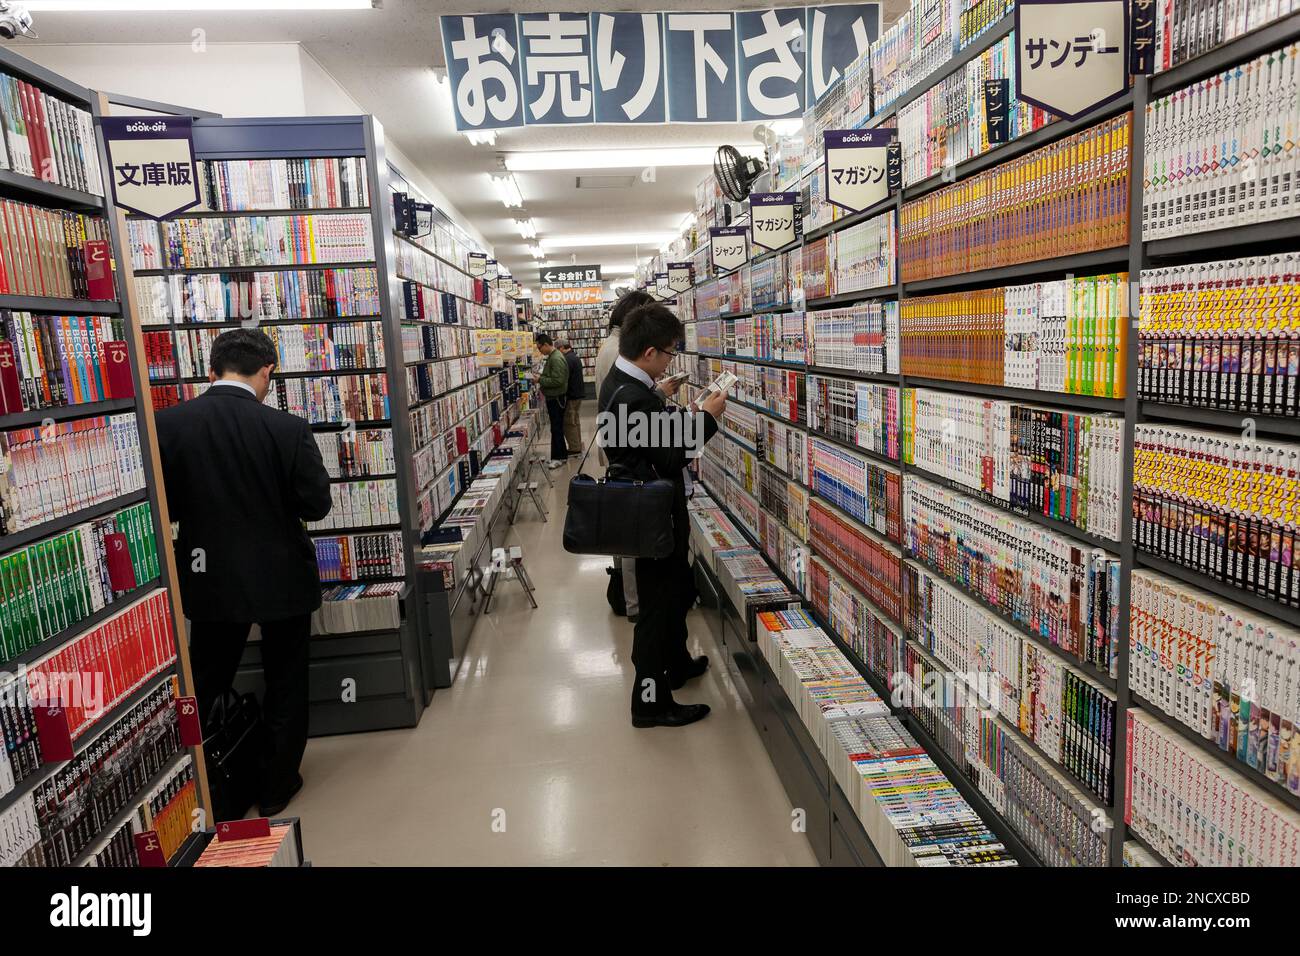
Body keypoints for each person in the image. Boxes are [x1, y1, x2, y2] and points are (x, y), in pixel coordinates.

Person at [155, 328, 332, 816]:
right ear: (267, 371)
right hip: (281, 578)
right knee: (286, 680)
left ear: (212, 371)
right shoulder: (288, 429)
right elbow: (316, 505)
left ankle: (198, 788)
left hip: (209, 577)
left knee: (206, 679)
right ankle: (276, 787)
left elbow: (161, 506)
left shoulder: (168, 426)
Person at [600, 302, 726, 728]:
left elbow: (649, 439)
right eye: (671, 351)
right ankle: (650, 703)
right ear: (650, 352)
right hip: (651, 519)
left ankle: (676, 663)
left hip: (651, 512)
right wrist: (706, 420)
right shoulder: (636, 398)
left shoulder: (624, 382)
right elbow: (672, 458)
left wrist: (666, 403)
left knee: (674, 593)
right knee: (655, 610)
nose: (674, 358)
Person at [595, 291, 656, 621]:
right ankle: (634, 603)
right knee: (632, 533)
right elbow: (626, 405)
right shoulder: (618, 352)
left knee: (624, 531)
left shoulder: (610, 346)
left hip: (615, 445)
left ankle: (626, 594)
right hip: (625, 452)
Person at [534, 333, 570, 469]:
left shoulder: (555, 358)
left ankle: (559, 457)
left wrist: (540, 380)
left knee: (556, 428)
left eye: (539, 348)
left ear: (546, 345)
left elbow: (558, 380)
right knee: (556, 428)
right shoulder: (553, 357)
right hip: (554, 398)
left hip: (556, 399)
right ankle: (560, 455)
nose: (539, 351)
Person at [557, 340, 584, 455]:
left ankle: (574, 448)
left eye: (558, 350)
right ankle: (577, 443)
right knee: (575, 420)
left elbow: (564, 378)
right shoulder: (575, 357)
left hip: (571, 395)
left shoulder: (567, 359)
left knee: (569, 422)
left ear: (562, 348)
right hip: (578, 394)